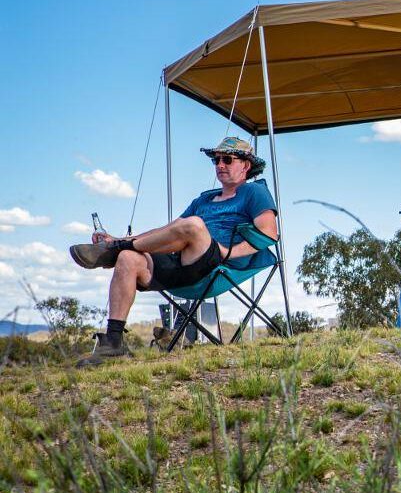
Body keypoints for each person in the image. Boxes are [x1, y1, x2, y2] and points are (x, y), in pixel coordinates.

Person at [69, 137, 278, 366]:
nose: (220, 165)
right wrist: (120, 238)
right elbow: (168, 230)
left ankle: (112, 250)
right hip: (180, 264)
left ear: (246, 165)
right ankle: (113, 342)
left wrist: (228, 252)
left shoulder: (254, 192)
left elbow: (269, 234)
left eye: (227, 159)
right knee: (128, 258)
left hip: (213, 265)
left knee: (195, 225)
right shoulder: (204, 199)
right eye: (216, 160)